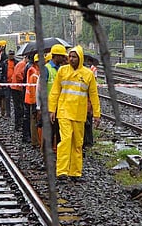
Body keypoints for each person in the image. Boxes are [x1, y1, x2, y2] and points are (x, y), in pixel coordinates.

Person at [48, 46, 101, 179]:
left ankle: (75, 172)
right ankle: (62, 171)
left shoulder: (88, 74)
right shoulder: (62, 71)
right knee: (65, 140)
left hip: (79, 113)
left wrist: (96, 114)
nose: (71, 59)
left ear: (80, 58)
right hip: (64, 112)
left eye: (74, 57)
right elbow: (55, 91)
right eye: (70, 57)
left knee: (77, 143)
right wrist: (51, 109)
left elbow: (94, 95)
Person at [10, 52, 29, 134]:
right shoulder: (22, 64)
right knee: (19, 108)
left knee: (19, 107)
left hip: (16, 87)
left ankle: (18, 124)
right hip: (17, 88)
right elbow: (18, 75)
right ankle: (18, 125)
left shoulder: (21, 63)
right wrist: (25, 81)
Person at [24, 53, 40, 145]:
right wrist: (35, 104)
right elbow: (33, 90)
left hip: (31, 99)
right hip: (33, 100)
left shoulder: (35, 70)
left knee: (34, 120)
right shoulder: (34, 72)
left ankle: (35, 140)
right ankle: (35, 141)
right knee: (34, 120)